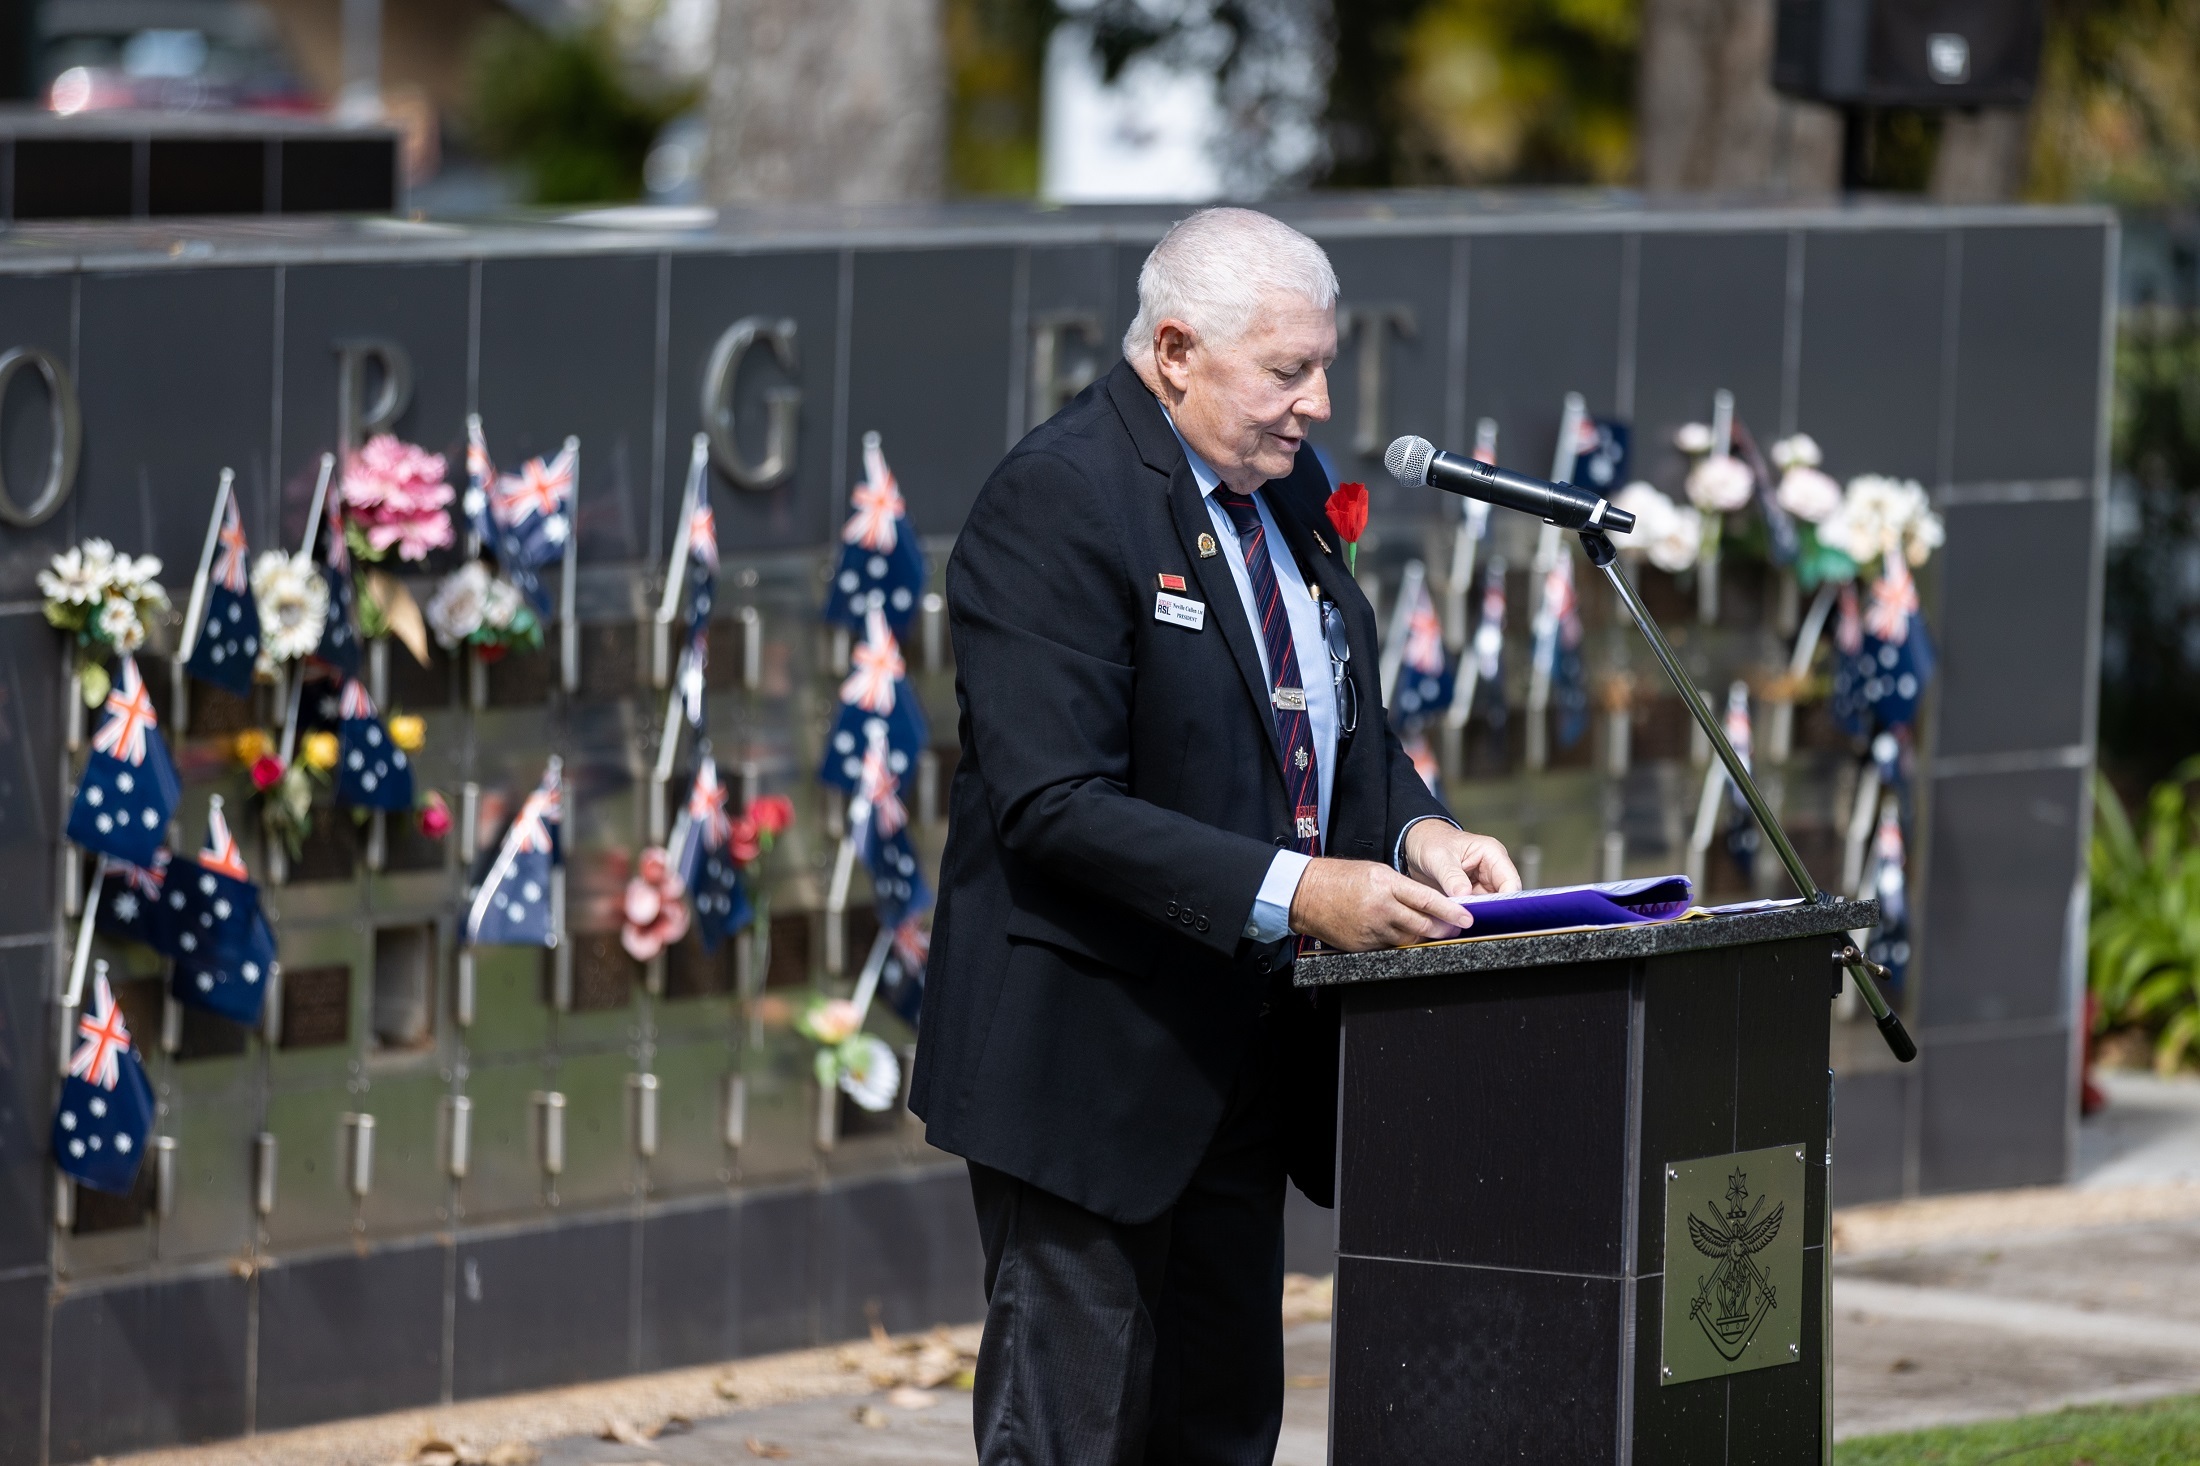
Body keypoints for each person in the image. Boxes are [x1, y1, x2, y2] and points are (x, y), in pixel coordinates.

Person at [909, 207, 1521, 1466]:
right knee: (1074, 1439)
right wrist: (1301, 890)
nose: (1316, 403)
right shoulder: (1059, 497)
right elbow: (1052, 801)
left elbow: (1336, 718)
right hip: (1088, 1074)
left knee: (1225, 1432)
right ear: (1176, 351)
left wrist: (1417, 829)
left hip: (1245, 1063)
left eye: (1323, 367)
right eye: (1287, 370)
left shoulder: (1280, 487)